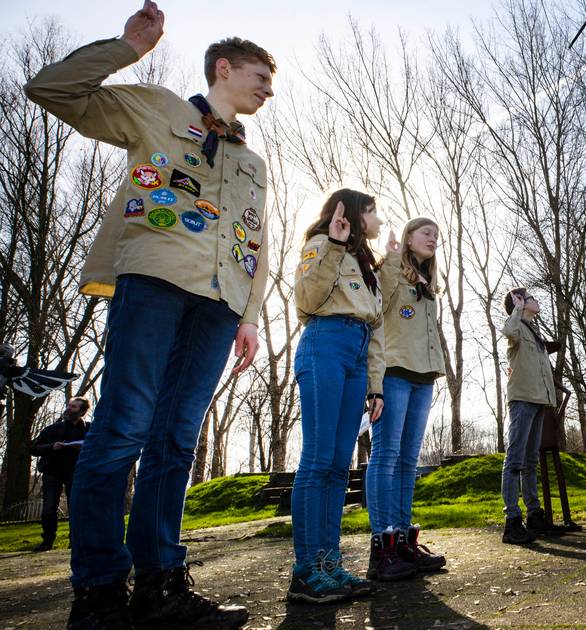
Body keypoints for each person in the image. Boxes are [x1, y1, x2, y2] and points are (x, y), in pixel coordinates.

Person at [25, 2, 273, 626]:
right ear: (223, 68)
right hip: (156, 280)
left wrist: (249, 314)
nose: (268, 90)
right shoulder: (158, 108)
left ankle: (161, 585)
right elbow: (51, 88)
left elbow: (258, 240)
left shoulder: (253, 162)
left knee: (176, 441)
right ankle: (100, 593)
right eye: (259, 77)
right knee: (123, 428)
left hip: (219, 306)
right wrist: (128, 49)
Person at [289, 189, 385, 603]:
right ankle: (306, 570)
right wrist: (333, 243)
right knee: (318, 459)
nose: (379, 219)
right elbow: (307, 301)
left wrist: (375, 386)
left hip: (357, 354)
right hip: (325, 343)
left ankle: (330, 565)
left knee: (338, 467)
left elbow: (378, 330)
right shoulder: (320, 245)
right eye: (374, 211)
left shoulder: (368, 268)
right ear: (353, 213)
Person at [366, 217, 446, 581]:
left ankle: (403, 542)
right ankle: (381, 548)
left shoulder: (430, 285)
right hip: (394, 373)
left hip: (422, 376)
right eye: (426, 233)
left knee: (408, 461)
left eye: (437, 236)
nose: (433, 239)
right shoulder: (391, 271)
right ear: (410, 237)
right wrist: (392, 258)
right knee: (386, 456)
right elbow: (376, 309)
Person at [499, 288, 559, 544]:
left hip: (538, 400)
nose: (536, 301)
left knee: (530, 460)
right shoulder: (517, 327)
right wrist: (515, 308)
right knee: (515, 458)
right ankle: (512, 520)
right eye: (530, 298)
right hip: (522, 399)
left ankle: (534, 515)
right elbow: (508, 332)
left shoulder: (534, 332)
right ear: (521, 302)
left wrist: (550, 398)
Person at [30, 397, 91, 552]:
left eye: (74, 407)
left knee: (76, 507)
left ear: (83, 411)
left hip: (78, 473)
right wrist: (52, 447)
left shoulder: (90, 430)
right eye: (69, 405)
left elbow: (101, 448)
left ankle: (75, 541)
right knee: (49, 507)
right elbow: (33, 448)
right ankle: (47, 541)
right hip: (53, 472)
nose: (69, 409)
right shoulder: (52, 429)